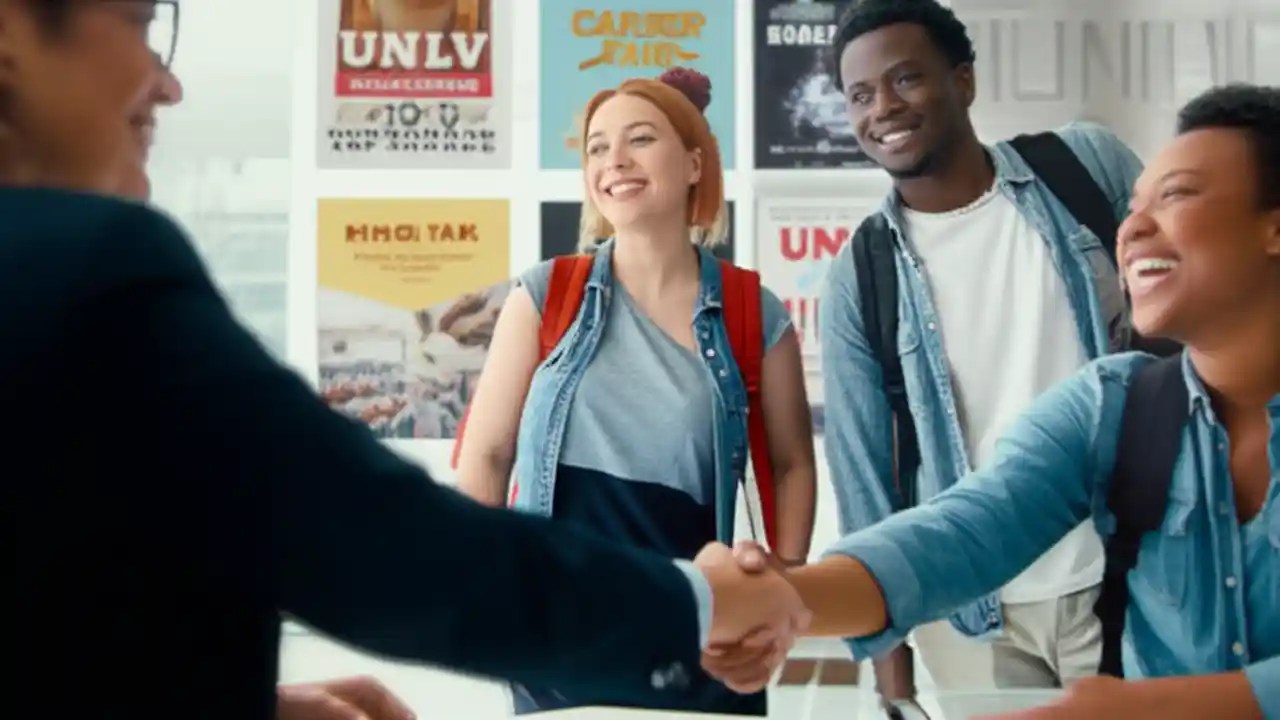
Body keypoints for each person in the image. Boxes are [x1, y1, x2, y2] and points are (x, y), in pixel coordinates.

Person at [0, 1, 809, 717]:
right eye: (143, 23)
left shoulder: (751, 310)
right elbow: (374, 539)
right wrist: (695, 606)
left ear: (695, 162)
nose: (170, 84)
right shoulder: (94, 266)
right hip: (600, 644)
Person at [709, 82, 1280, 720]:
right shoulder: (1115, 407)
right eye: (1134, 205)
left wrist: (1148, 708)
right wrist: (784, 596)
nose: (1133, 227)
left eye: (1176, 195)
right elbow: (958, 534)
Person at [453, 67, 818, 716]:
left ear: (695, 164)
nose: (614, 161)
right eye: (597, 147)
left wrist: (781, 591)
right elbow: (486, 454)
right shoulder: (544, 295)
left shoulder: (751, 312)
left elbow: (793, 465)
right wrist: (485, 590)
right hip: (558, 634)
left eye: (640, 138)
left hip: (700, 636)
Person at [817, 0, 1149, 711]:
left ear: (963, 80)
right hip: (968, 613)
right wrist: (892, 673)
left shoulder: (1084, 165)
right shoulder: (861, 274)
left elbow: (1189, 313)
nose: (883, 108)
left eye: (906, 78)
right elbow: (865, 476)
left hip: (1126, 574)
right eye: (860, 95)